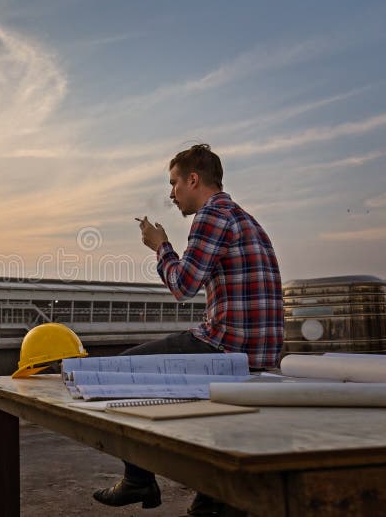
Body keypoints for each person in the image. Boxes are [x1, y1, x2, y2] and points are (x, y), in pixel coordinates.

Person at [92, 143, 283, 516]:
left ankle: (138, 477)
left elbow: (183, 286)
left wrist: (160, 246)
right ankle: (213, 499)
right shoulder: (245, 219)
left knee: (121, 369)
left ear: (193, 180)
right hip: (260, 355)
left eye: (174, 183)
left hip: (226, 350)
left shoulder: (210, 216)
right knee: (214, 508)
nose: (171, 193)